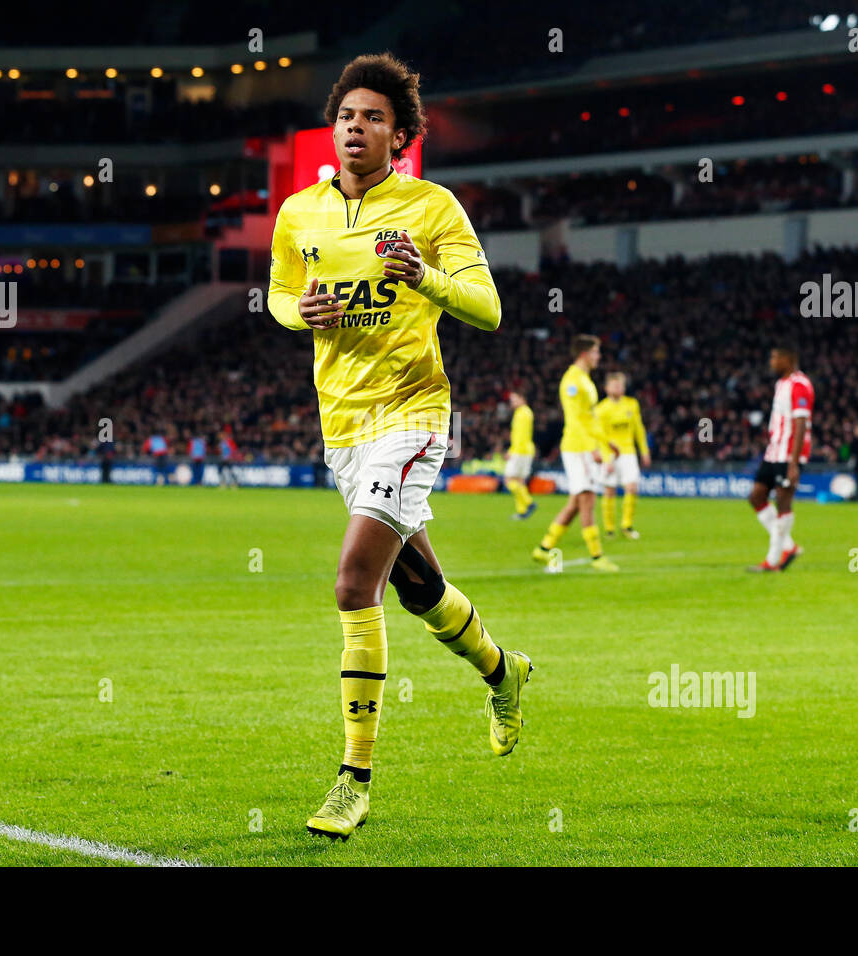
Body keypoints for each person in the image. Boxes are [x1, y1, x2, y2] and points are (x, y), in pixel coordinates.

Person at [268, 53, 533, 842]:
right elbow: (281, 291)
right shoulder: (298, 213)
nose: (355, 127)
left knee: (355, 584)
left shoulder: (431, 207)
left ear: (402, 134)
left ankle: (353, 779)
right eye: (347, 114)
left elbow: (486, 308)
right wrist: (298, 314)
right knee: (420, 588)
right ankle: (503, 670)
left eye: (373, 117)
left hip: (413, 416)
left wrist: (427, 279)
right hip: (341, 426)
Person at [531, 334, 620, 572]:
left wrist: (606, 443)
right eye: (596, 352)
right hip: (579, 447)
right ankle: (597, 556)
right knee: (588, 499)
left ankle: (544, 548)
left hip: (584, 445)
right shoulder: (573, 381)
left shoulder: (584, 380)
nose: (598, 356)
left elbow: (590, 419)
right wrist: (593, 448)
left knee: (575, 503)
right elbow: (576, 421)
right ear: (584, 353)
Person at [747, 346, 813, 572]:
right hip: (774, 451)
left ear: (789, 358)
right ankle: (789, 546)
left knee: (783, 502)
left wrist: (794, 463)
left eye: (775, 357)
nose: (771, 360)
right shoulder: (781, 383)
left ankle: (773, 561)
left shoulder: (800, 385)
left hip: (789, 453)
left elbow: (801, 422)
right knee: (756, 496)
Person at [595, 371, 650, 539]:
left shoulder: (632, 404)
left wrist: (644, 451)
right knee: (609, 490)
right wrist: (605, 458)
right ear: (606, 388)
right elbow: (599, 436)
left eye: (621, 385)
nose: (619, 388)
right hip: (610, 454)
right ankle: (609, 529)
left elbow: (638, 429)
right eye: (615, 385)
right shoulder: (601, 409)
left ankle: (626, 525)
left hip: (628, 453)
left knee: (632, 487)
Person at [503, 390, 537, 519]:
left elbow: (520, 436)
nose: (512, 402)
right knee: (519, 481)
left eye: (514, 399)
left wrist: (512, 451)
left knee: (509, 480)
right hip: (525, 450)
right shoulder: (524, 412)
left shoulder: (522, 414)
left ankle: (529, 503)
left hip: (520, 451)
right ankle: (522, 511)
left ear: (522, 398)